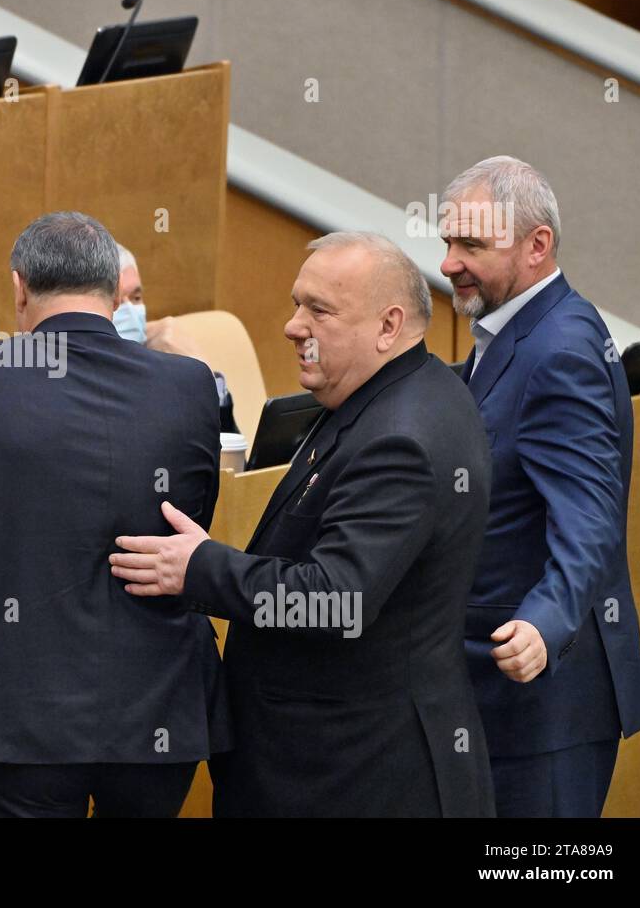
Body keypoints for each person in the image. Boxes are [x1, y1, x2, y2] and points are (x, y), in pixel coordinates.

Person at [111, 231, 495, 817]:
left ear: (388, 327)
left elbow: (335, 600)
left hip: (354, 776)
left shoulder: (400, 438)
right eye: (297, 304)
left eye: (319, 310)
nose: (293, 326)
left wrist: (200, 567)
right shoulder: (405, 390)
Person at [0, 211, 228, 818]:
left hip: (17, 715)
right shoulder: (191, 385)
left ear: (18, 287)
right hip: (156, 709)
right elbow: (188, 532)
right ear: (116, 292)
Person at [438, 156, 640, 817]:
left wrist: (542, 621)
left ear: (537, 245)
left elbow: (590, 522)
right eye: (446, 241)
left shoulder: (560, 350)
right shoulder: (510, 332)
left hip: (546, 701)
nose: (449, 262)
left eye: (471, 244)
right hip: (500, 696)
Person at [112, 242, 238, 432]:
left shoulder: (166, 363)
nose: (130, 310)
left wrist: (204, 373)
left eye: (136, 298)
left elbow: (230, 455)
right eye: (117, 301)